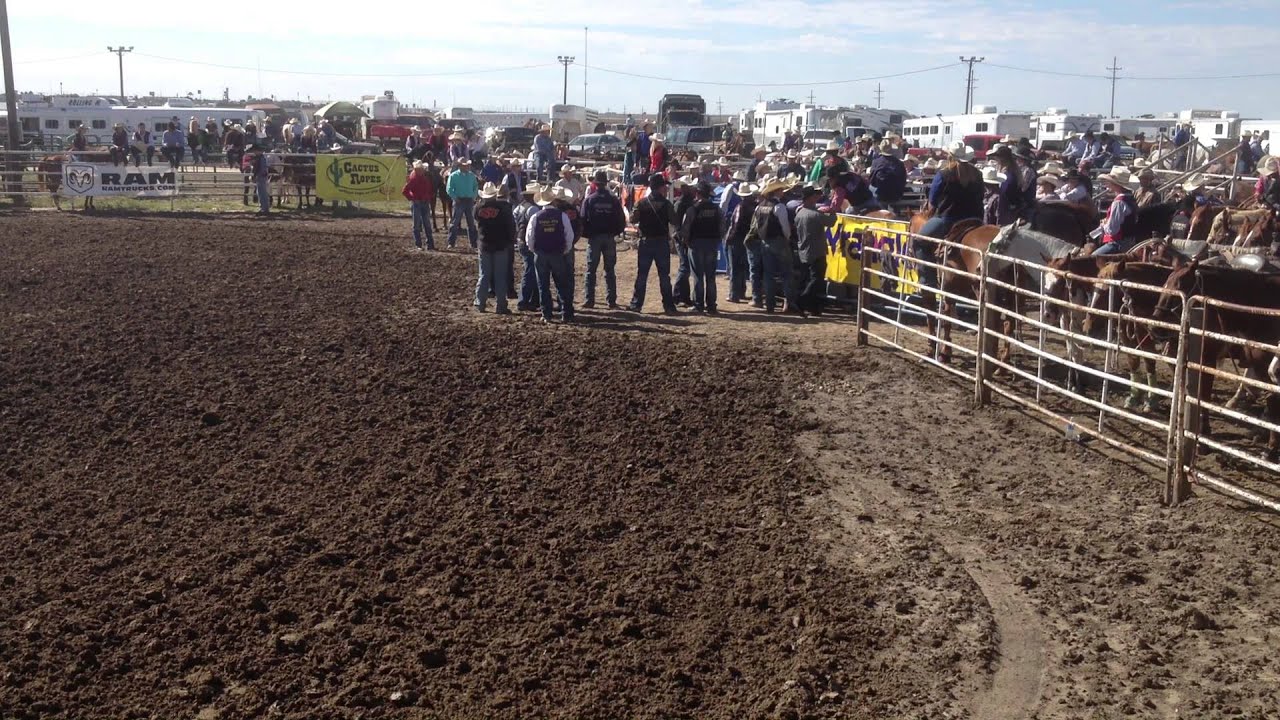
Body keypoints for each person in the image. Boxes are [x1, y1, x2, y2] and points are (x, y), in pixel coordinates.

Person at [920, 142, 984, 298]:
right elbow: (981, 196)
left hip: (949, 219)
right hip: (976, 219)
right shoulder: (977, 174)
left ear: (949, 156)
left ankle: (927, 282)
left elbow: (933, 201)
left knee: (919, 241)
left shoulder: (944, 174)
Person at [627, 173, 679, 314]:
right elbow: (674, 221)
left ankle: (636, 304)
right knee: (664, 276)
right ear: (661, 187)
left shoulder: (642, 203)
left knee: (642, 275)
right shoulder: (667, 204)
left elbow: (632, 219)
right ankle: (669, 306)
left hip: (646, 242)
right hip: (661, 243)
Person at [525, 187, 576, 323]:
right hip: (557, 253)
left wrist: (534, 250)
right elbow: (569, 236)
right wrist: (565, 250)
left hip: (541, 254)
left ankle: (546, 314)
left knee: (543, 285)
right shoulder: (562, 216)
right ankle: (566, 313)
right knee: (561, 284)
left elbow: (529, 238)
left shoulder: (536, 217)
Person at [751, 178, 800, 314]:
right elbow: (785, 228)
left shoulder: (759, 206)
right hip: (779, 241)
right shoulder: (779, 207)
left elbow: (756, 225)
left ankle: (770, 304)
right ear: (777, 191)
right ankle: (789, 303)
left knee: (768, 274)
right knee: (786, 273)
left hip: (765, 241)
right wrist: (787, 238)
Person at [581, 170, 626, 309]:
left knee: (591, 270)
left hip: (594, 238)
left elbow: (583, 219)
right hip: (608, 237)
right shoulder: (613, 200)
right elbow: (621, 220)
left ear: (595, 184)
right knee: (609, 270)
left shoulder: (589, 199)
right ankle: (611, 300)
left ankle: (589, 299)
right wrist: (615, 232)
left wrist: (589, 234)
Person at [680, 182, 724, 313]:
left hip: (696, 244)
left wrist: (686, 242)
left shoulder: (693, 209)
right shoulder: (717, 209)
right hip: (711, 244)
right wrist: (717, 240)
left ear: (697, 193)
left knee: (698, 275)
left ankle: (699, 304)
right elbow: (722, 228)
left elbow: (685, 228)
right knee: (710, 276)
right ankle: (711, 305)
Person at [794, 185, 837, 316]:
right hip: (816, 251)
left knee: (808, 278)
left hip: (804, 249)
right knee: (816, 279)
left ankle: (812, 306)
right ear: (810, 198)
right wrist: (834, 210)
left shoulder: (800, 213)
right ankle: (802, 301)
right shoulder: (815, 214)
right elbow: (831, 222)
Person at [473, 182, 516, 314]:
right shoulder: (503, 208)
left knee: (484, 274)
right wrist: (510, 240)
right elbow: (510, 227)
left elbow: (476, 220)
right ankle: (501, 305)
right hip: (500, 245)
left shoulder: (477, 208)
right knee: (500, 276)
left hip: (484, 244)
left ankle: (480, 302)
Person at [1091, 169, 1138, 255]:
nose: (1107, 184)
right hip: (1128, 240)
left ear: (1116, 185)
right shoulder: (1130, 198)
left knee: (1092, 258)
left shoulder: (1119, 202)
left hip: (1118, 243)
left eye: (1109, 182)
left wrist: (1104, 225)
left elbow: (1112, 230)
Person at [724, 182, 757, 303]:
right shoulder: (753, 206)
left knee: (735, 267)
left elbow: (736, 225)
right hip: (747, 238)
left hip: (737, 239)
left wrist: (729, 238)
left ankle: (734, 294)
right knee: (743, 266)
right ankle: (741, 291)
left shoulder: (740, 206)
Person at [515, 183, 544, 312]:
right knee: (531, 271)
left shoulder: (520, 207)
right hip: (529, 242)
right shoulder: (533, 209)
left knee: (530, 269)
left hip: (521, 239)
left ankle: (529, 300)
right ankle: (525, 300)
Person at [402, 160, 436, 250]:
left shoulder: (422, 179)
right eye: (419, 169)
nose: (421, 171)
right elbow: (405, 191)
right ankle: (421, 244)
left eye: (421, 169)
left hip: (422, 202)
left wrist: (427, 197)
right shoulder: (414, 179)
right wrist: (413, 198)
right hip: (418, 202)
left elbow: (405, 191)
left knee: (426, 224)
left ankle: (427, 244)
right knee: (418, 224)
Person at [446, 158, 480, 249]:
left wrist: (473, 197)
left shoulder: (471, 176)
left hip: (469, 200)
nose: (466, 167)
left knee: (471, 223)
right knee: (455, 222)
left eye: (466, 165)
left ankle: (473, 243)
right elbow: (449, 189)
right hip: (459, 200)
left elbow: (476, 187)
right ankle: (451, 242)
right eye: (464, 165)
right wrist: (455, 198)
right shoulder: (453, 176)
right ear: (460, 166)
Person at [869, 140, 907, 207]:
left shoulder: (876, 162)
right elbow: (903, 179)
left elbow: (872, 180)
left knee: (870, 188)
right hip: (896, 195)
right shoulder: (899, 163)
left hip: (880, 195)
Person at [247, 143, 272, 215]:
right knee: (261, 192)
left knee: (262, 192)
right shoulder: (261, 158)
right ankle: (264, 208)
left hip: (261, 176)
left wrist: (257, 175)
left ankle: (264, 208)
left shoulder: (260, 158)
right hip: (261, 176)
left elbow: (261, 169)